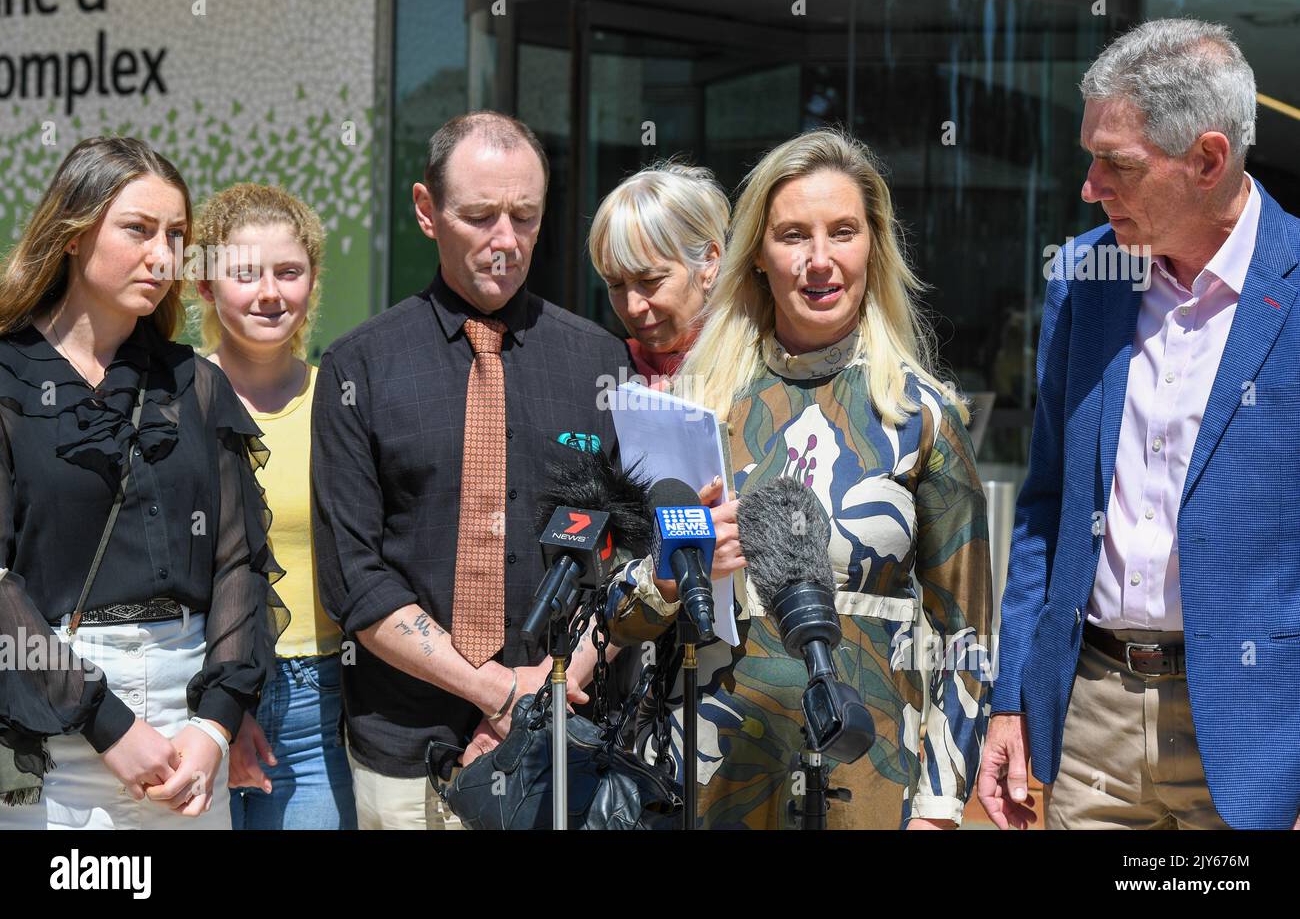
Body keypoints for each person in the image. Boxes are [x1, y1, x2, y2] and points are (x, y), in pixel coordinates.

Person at [605, 128, 994, 829]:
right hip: (712, 787)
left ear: (872, 246)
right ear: (756, 252)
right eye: (792, 235)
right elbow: (619, 616)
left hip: (874, 790)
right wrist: (669, 579)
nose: (820, 261)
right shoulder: (699, 408)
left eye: (842, 232)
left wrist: (939, 806)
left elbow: (965, 636)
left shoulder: (920, 414)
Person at [979, 18, 1300, 831]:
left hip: (1260, 733)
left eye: (1115, 163)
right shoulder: (1089, 277)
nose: (1089, 185)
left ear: (1208, 160)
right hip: (1092, 726)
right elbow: (1046, 507)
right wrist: (1013, 699)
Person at [311, 110, 634, 829]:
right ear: (427, 212)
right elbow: (353, 577)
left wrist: (543, 693)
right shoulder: (357, 366)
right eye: (480, 216)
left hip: (565, 738)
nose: (505, 242)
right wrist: (493, 689)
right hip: (403, 748)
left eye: (525, 217)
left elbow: (624, 555)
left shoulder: (600, 364)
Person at [0, 136, 286, 829]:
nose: (164, 256)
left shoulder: (195, 384)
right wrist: (107, 724)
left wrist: (215, 725)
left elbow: (238, 563)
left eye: (177, 235)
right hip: (51, 722)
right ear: (72, 233)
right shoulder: (7, 382)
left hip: (190, 727)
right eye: (137, 229)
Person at [192, 183, 357, 829]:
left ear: (312, 284)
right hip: (193, 697)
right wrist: (219, 711)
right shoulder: (172, 403)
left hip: (315, 700)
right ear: (205, 287)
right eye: (245, 274)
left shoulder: (343, 403)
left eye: (289, 272)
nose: (269, 293)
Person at [588, 161, 728, 390]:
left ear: (708, 262)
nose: (633, 307)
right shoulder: (604, 370)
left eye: (650, 281)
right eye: (615, 285)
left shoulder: (759, 368)